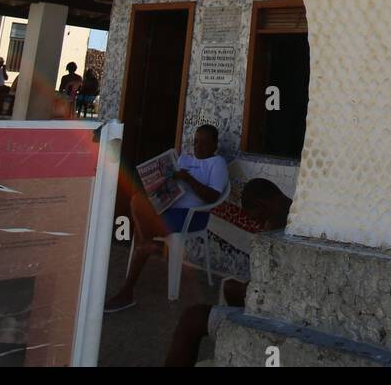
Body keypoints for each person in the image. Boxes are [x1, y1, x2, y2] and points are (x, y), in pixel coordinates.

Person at [163, 178, 291, 367]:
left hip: (278, 314)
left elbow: (266, 291)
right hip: (281, 305)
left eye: (257, 218)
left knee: (192, 317)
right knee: (230, 286)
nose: (257, 224)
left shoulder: (275, 227)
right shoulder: (293, 211)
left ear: (262, 206)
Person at [104, 124, 228, 313]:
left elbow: (213, 197)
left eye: (203, 143)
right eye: (195, 142)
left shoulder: (217, 163)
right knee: (138, 199)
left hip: (190, 217)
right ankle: (138, 264)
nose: (197, 146)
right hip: (168, 207)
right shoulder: (184, 159)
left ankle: (127, 290)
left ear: (214, 145)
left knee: (140, 231)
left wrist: (188, 179)